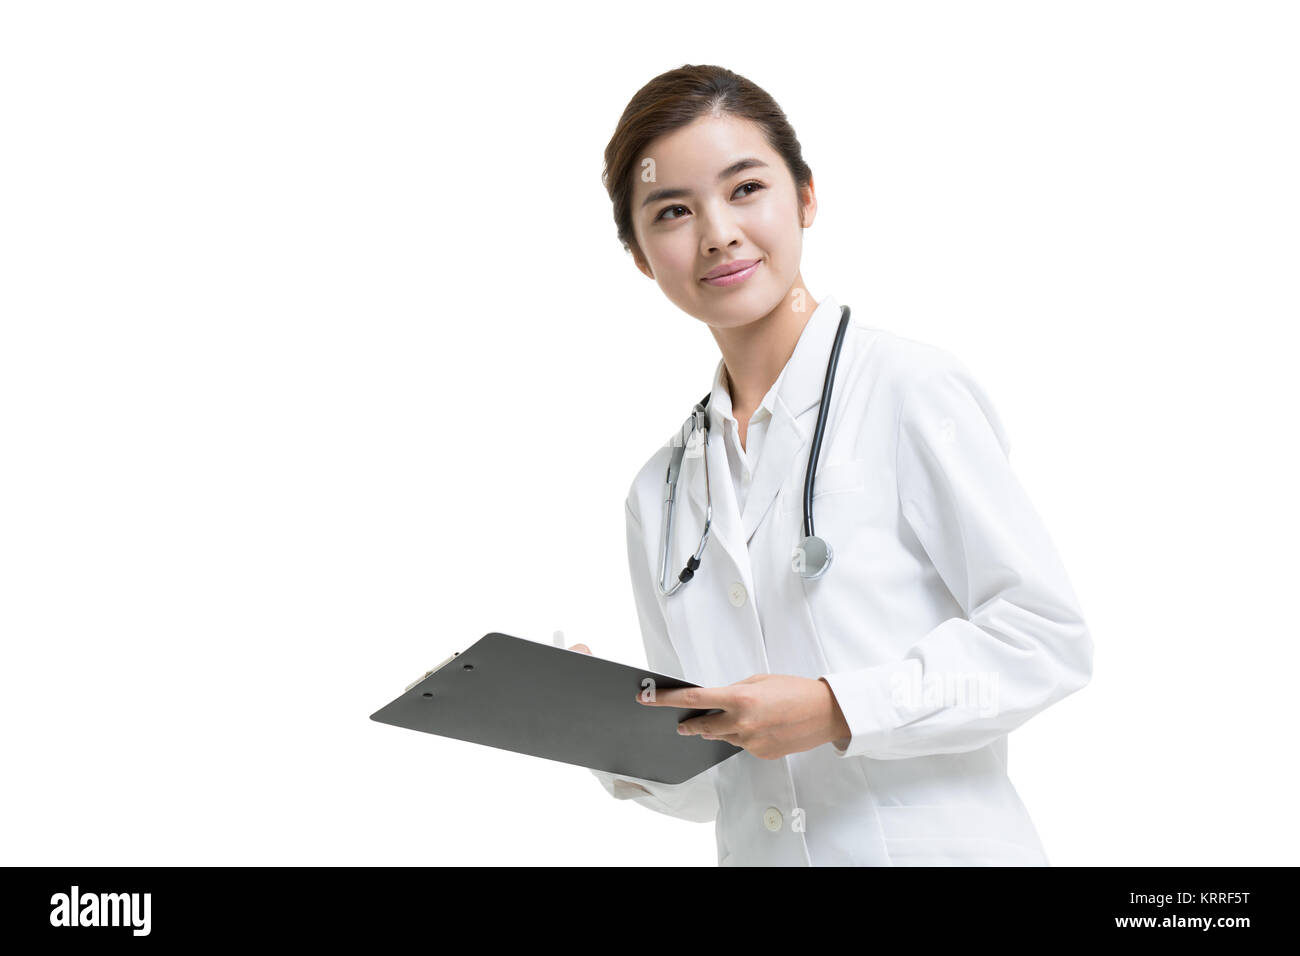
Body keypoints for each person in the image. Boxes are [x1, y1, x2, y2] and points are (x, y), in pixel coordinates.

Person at [575, 64, 1093, 866]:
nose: (717, 232)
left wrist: (837, 708)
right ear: (643, 257)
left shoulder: (909, 390)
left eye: (745, 189)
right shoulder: (662, 490)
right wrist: (602, 729)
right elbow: (714, 777)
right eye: (672, 211)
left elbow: (1044, 639)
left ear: (806, 197)